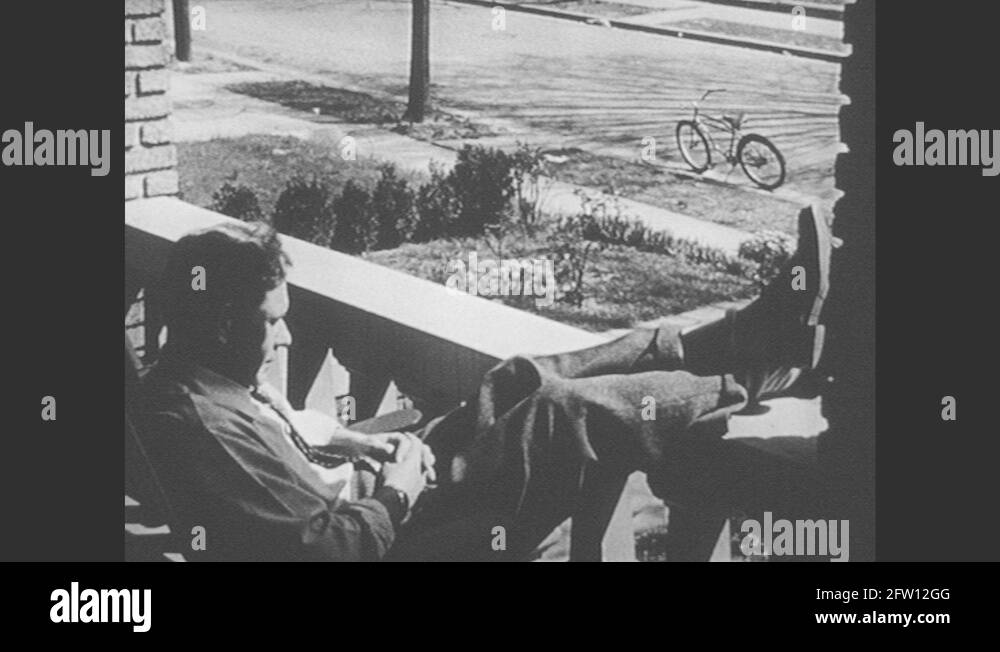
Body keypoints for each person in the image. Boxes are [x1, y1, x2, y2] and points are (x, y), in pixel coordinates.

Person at [134, 206, 832, 561]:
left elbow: (287, 431)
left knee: (524, 375)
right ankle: (757, 369)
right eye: (271, 323)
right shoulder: (200, 427)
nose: (285, 338)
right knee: (561, 414)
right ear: (224, 323)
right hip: (400, 534)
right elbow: (325, 552)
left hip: (372, 484)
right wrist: (400, 491)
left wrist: (351, 440)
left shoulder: (202, 378)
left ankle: (739, 335)